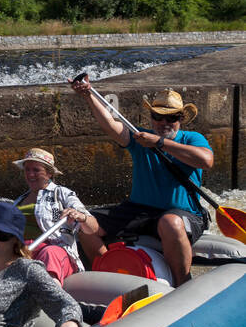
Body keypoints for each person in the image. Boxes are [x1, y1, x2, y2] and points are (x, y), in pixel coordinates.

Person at [70, 80, 213, 287]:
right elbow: (110, 125)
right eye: (158, 117)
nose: (164, 123)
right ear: (151, 118)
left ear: (180, 118)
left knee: (170, 222)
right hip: (137, 211)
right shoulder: (140, 137)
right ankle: (107, 270)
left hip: (183, 213)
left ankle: (182, 284)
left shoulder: (191, 138)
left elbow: (206, 161)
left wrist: (160, 143)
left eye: (171, 118)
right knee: (85, 224)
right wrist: (88, 95)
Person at [11, 147, 101, 284]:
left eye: (36, 170)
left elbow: (92, 228)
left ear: (49, 174)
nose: (30, 174)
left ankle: (51, 297)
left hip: (55, 251)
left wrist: (80, 217)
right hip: (22, 250)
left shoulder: (62, 193)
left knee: (50, 253)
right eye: (27, 170)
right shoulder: (18, 201)